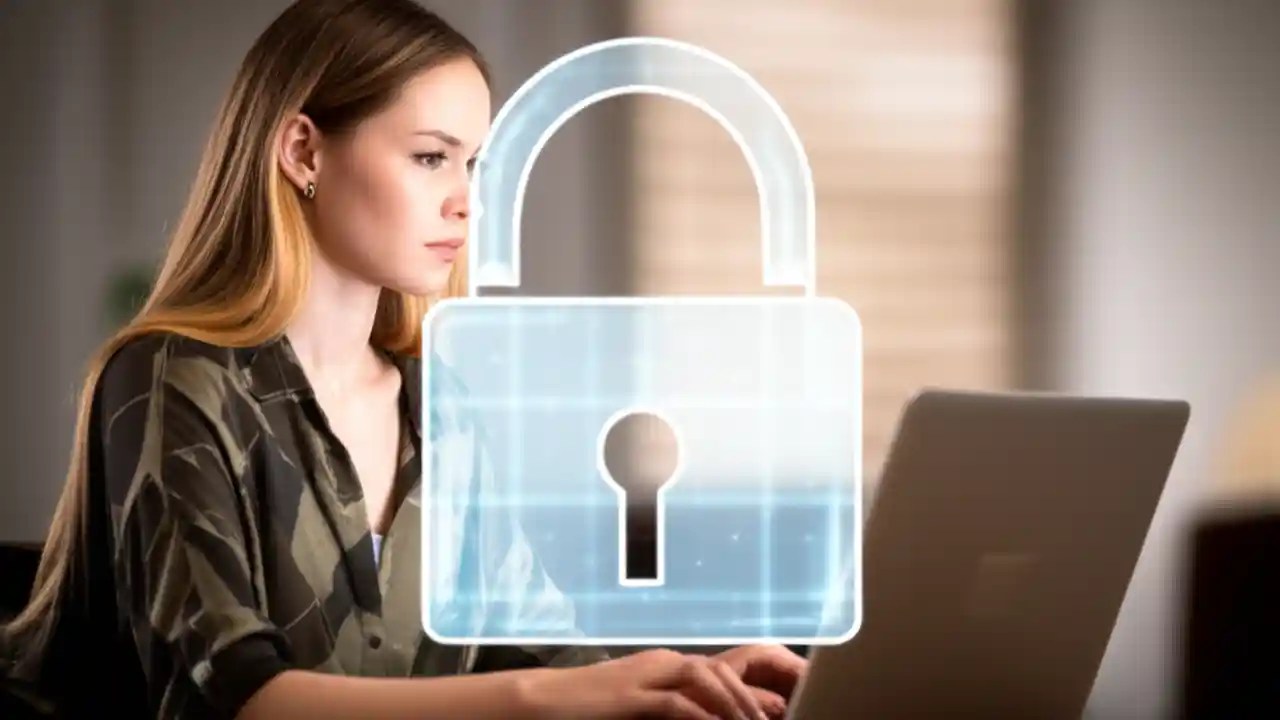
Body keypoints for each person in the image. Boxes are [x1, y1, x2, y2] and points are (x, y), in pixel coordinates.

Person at [0, 1, 805, 718]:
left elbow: (537, 652)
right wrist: (543, 699)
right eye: (430, 157)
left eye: (474, 163)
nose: (466, 199)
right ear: (303, 152)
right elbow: (236, 696)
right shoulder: (171, 377)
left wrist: (693, 678)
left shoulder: (439, 405)